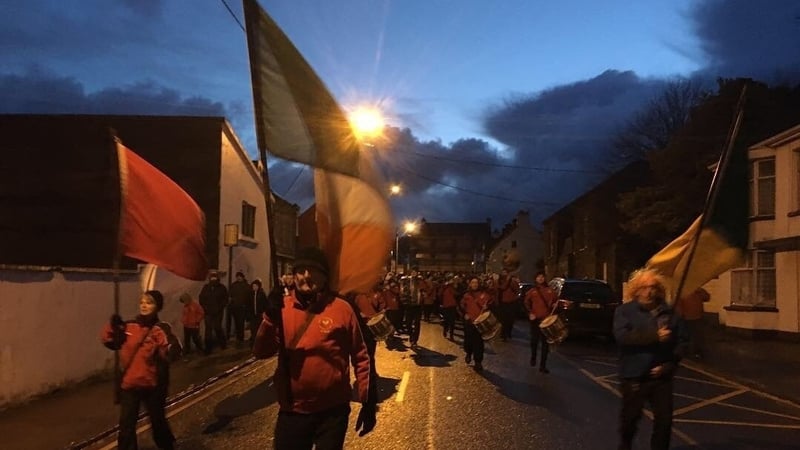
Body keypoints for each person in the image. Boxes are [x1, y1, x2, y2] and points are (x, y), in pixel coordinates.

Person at [253, 247, 376, 449]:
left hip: (333, 412)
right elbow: (261, 352)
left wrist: (367, 400)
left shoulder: (342, 309)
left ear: (325, 277)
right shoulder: (282, 308)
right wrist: (269, 320)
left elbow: (361, 355)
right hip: (293, 411)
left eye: (313, 270)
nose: (306, 275)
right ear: (294, 276)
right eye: (301, 270)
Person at [613, 268, 688, 450]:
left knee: (664, 421)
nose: (649, 291)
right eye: (644, 287)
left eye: (653, 287)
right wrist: (654, 336)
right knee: (630, 420)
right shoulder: (625, 311)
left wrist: (670, 364)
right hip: (634, 376)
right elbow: (622, 337)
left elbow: (683, 342)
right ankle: (625, 445)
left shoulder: (670, 313)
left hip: (661, 377)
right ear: (636, 290)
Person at [101, 290, 179, 450]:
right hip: (130, 384)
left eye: (149, 302)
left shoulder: (160, 328)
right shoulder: (129, 326)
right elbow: (110, 341)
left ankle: (167, 445)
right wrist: (112, 326)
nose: (144, 305)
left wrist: (170, 350)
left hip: (153, 386)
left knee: (157, 421)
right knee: (126, 425)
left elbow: (171, 348)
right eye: (142, 302)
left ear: (157, 307)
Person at [523, 272, 556, 373]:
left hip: (546, 320)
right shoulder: (532, 291)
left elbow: (555, 302)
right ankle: (533, 356)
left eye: (542, 277)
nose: (541, 278)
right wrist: (530, 313)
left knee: (545, 343)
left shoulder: (550, 291)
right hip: (535, 320)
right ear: (536, 279)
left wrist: (556, 305)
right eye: (539, 277)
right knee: (534, 341)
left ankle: (543, 365)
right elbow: (526, 303)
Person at [460, 277, 493, 371]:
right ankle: (468, 353)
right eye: (472, 282)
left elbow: (492, 302)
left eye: (476, 282)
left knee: (478, 342)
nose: (474, 284)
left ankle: (478, 361)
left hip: (480, 322)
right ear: (470, 284)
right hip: (469, 322)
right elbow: (461, 306)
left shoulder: (484, 294)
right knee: (468, 341)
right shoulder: (466, 295)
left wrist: (488, 306)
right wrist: (465, 314)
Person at [675, 287, 710, 359]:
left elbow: (707, 298)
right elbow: (678, 303)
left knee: (698, 336)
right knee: (687, 336)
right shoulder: (683, 291)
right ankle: (685, 352)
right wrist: (681, 315)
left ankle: (697, 352)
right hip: (687, 318)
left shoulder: (698, 290)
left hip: (698, 317)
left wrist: (700, 291)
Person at [227, 271, 250, 347]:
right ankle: (238, 338)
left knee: (241, 323)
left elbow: (248, 297)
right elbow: (230, 295)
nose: (239, 278)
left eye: (240, 276)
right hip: (235, 307)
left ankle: (240, 338)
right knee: (237, 323)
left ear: (242, 277)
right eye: (237, 277)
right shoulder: (234, 285)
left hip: (242, 307)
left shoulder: (246, 286)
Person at [497, 269, 520, 341]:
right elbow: (501, 288)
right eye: (503, 272)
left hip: (511, 302)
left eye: (505, 272)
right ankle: (504, 335)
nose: (504, 274)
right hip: (503, 302)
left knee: (510, 319)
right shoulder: (500, 281)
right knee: (504, 320)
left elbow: (517, 290)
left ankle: (508, 332)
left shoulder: (512, 281)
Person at [247, 279, 268, 346]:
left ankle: (259, 343)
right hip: (252, 315)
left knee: (259, 329)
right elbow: (248, 304)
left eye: (255, 286)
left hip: (259, 315)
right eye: (253, 286)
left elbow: (265, 304)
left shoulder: (261, 294)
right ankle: (253, 343)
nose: (254, 287)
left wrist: (263, 313)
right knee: (253, 329)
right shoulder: (250, 294)